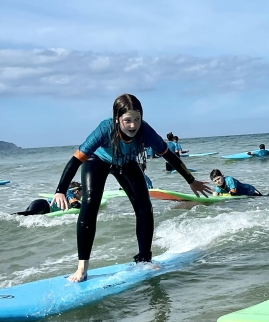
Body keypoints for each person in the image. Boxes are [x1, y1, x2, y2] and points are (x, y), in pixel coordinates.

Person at [52, 93, 210, 281]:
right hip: (98, 161)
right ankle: (82, 268)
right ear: (117, 118)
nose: (133, 125)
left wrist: (191, 180)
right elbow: (76, 159)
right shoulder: (105, 129)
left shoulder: (146, 131)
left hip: (126, 163)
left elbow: (169, 156)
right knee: (90, 204)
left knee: (144, 207)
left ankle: (144, 259)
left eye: (137, 119)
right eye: (127, 120)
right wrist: (61, 190)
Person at [17, 183, 83, 216]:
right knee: (28, 214)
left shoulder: (67, 194)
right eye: (82, 192)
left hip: (42, 206)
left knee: (25, 216)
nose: (83, 194)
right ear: (76, 191)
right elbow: (75, 205)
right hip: (43, 205)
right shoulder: (70, 193)